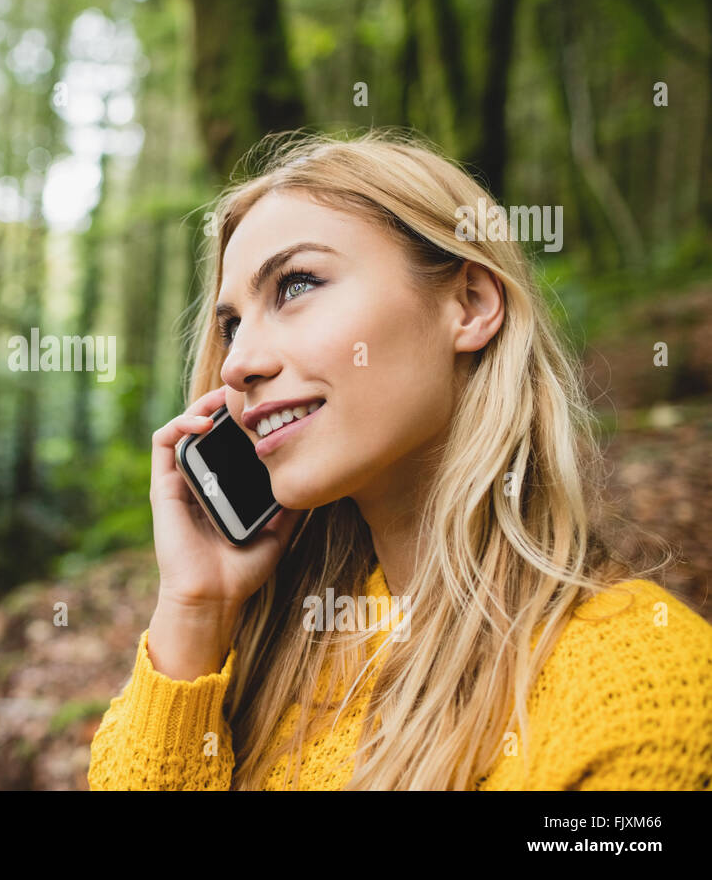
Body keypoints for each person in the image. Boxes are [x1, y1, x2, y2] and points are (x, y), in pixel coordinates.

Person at [87, 130, 712, 790]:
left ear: (469, 304)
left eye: (296, 285)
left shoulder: (643, 694)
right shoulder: (254, 668)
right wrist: (195, 608)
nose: (238, 363)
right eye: (231, 326)